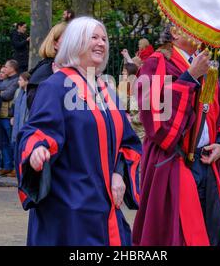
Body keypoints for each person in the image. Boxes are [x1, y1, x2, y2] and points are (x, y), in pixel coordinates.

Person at [16, 16, 141, 246]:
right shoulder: (55, 86)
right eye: (93, 37)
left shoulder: (107, 90)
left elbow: (128, 141)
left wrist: (118, 173)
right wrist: (36, 150)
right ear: (75, 42)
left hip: (105, 207)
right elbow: (38, 131)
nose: (101, 43)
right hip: (68, 208)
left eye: (104, 38)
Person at [132, 24, 220, 246]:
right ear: (175, 33)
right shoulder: (155, 63)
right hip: (172, 162)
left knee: (213, 234)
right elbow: (155, 120)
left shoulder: (206, 66)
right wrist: (190, 77)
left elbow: (219, 111)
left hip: (207, 162)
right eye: (194, 25)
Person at [27, 22, 67, 110]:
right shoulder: (45, 71)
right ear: (55, 44)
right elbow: (39, 111)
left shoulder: (82, 68)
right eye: (68, 38)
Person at [0, 60, 19, 177]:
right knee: (4, 143)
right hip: (1, 115)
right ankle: (7, 166)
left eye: (6, 66)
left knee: (13, 142)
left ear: (12, 68)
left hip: (9, 116)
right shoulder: (5, 80)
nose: (4, 69)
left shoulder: (16, 80)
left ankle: (15, 168)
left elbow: (7, 95)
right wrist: (0, 91)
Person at [11, 72, 30, 145]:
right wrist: (13, 116)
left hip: (25, 122)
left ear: (26, 81)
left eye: (20, 80)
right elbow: (14, 104)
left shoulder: (30, 93)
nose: (18, 82)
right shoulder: (18, 92)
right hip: (17, 121)